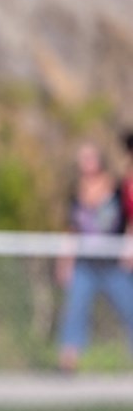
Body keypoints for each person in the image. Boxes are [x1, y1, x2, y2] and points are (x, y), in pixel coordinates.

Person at [55, 141, 133, 373]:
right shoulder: (75, 193)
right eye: (83, 158)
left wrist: (129, 247)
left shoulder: (117, 189)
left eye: (91, 157)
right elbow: (72, 230)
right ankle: (67, 363)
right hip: (85, 264)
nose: (87, 163)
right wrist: (65, 262)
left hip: (113, 263)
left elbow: (130, 218)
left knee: (130, 308)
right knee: (74, 310)